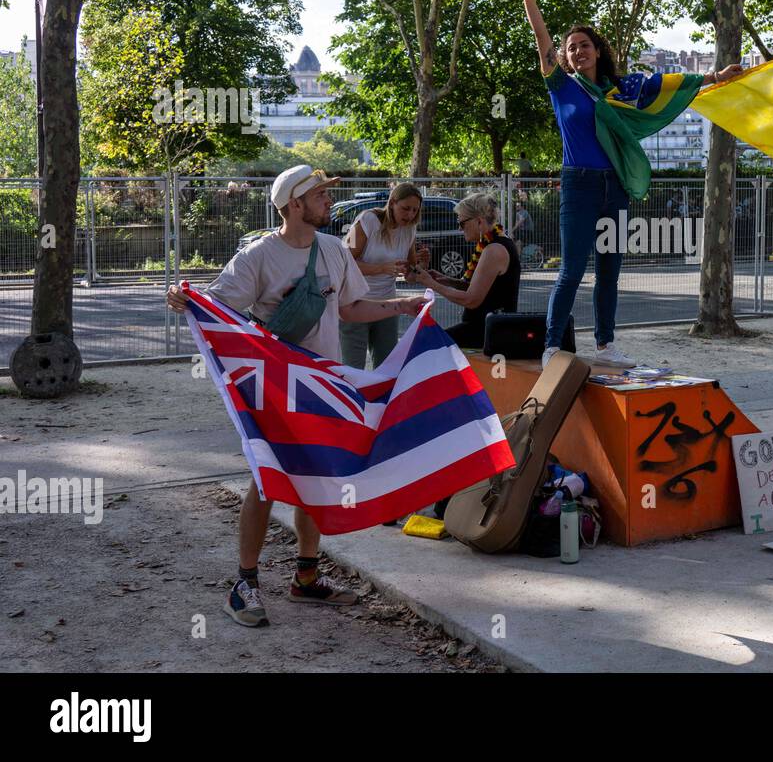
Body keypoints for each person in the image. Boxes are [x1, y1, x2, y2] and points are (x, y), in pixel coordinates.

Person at [165, 165, 427, 628]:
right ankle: (243, 583)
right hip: (275, 389)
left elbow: (348, 307)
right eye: (320, 194)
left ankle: (306, 578)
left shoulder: (333, 249)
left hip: (322, 387)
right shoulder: (258, 257)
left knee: (315, 481)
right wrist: (184, 298)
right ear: (293, 204)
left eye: (328, 193)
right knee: (266, 482)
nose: (329, 200)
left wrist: (400, 307)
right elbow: (218, 307)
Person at [511, 0, 743, 368]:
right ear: (563, 58)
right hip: (579, 186)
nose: (578, 51)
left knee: (610, 271)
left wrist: (715, 76)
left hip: (614, 187)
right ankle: (552, 346)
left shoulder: (623, 88)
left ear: (597, 50)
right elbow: (539, 34)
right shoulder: (562, 86)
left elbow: (666, 83)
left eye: (584, 44)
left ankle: (605, 346)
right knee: (571, 271)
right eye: (571, 48)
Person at [406, 192, 521, 349]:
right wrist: (445, 279)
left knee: (423, 346)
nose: (460, 229)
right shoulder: (493, 243)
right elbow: (480, 288)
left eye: (462, 224)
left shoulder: (494, 249)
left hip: (487, 332)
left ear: (479, 221)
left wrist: (432, 284)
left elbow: (471, 300)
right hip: (483, 328)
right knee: (424, 343)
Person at [339, 182, 429, 370]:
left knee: (387, 369)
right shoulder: (367, 220)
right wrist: (380, 268)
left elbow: (410, 275)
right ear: (392, 202)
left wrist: (420, 267)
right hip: (355, 304)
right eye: (405, 209)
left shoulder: (410, 229)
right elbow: (343, 263)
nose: (410, 215)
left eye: (415, 210)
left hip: (388, 306)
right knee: (352, 370)